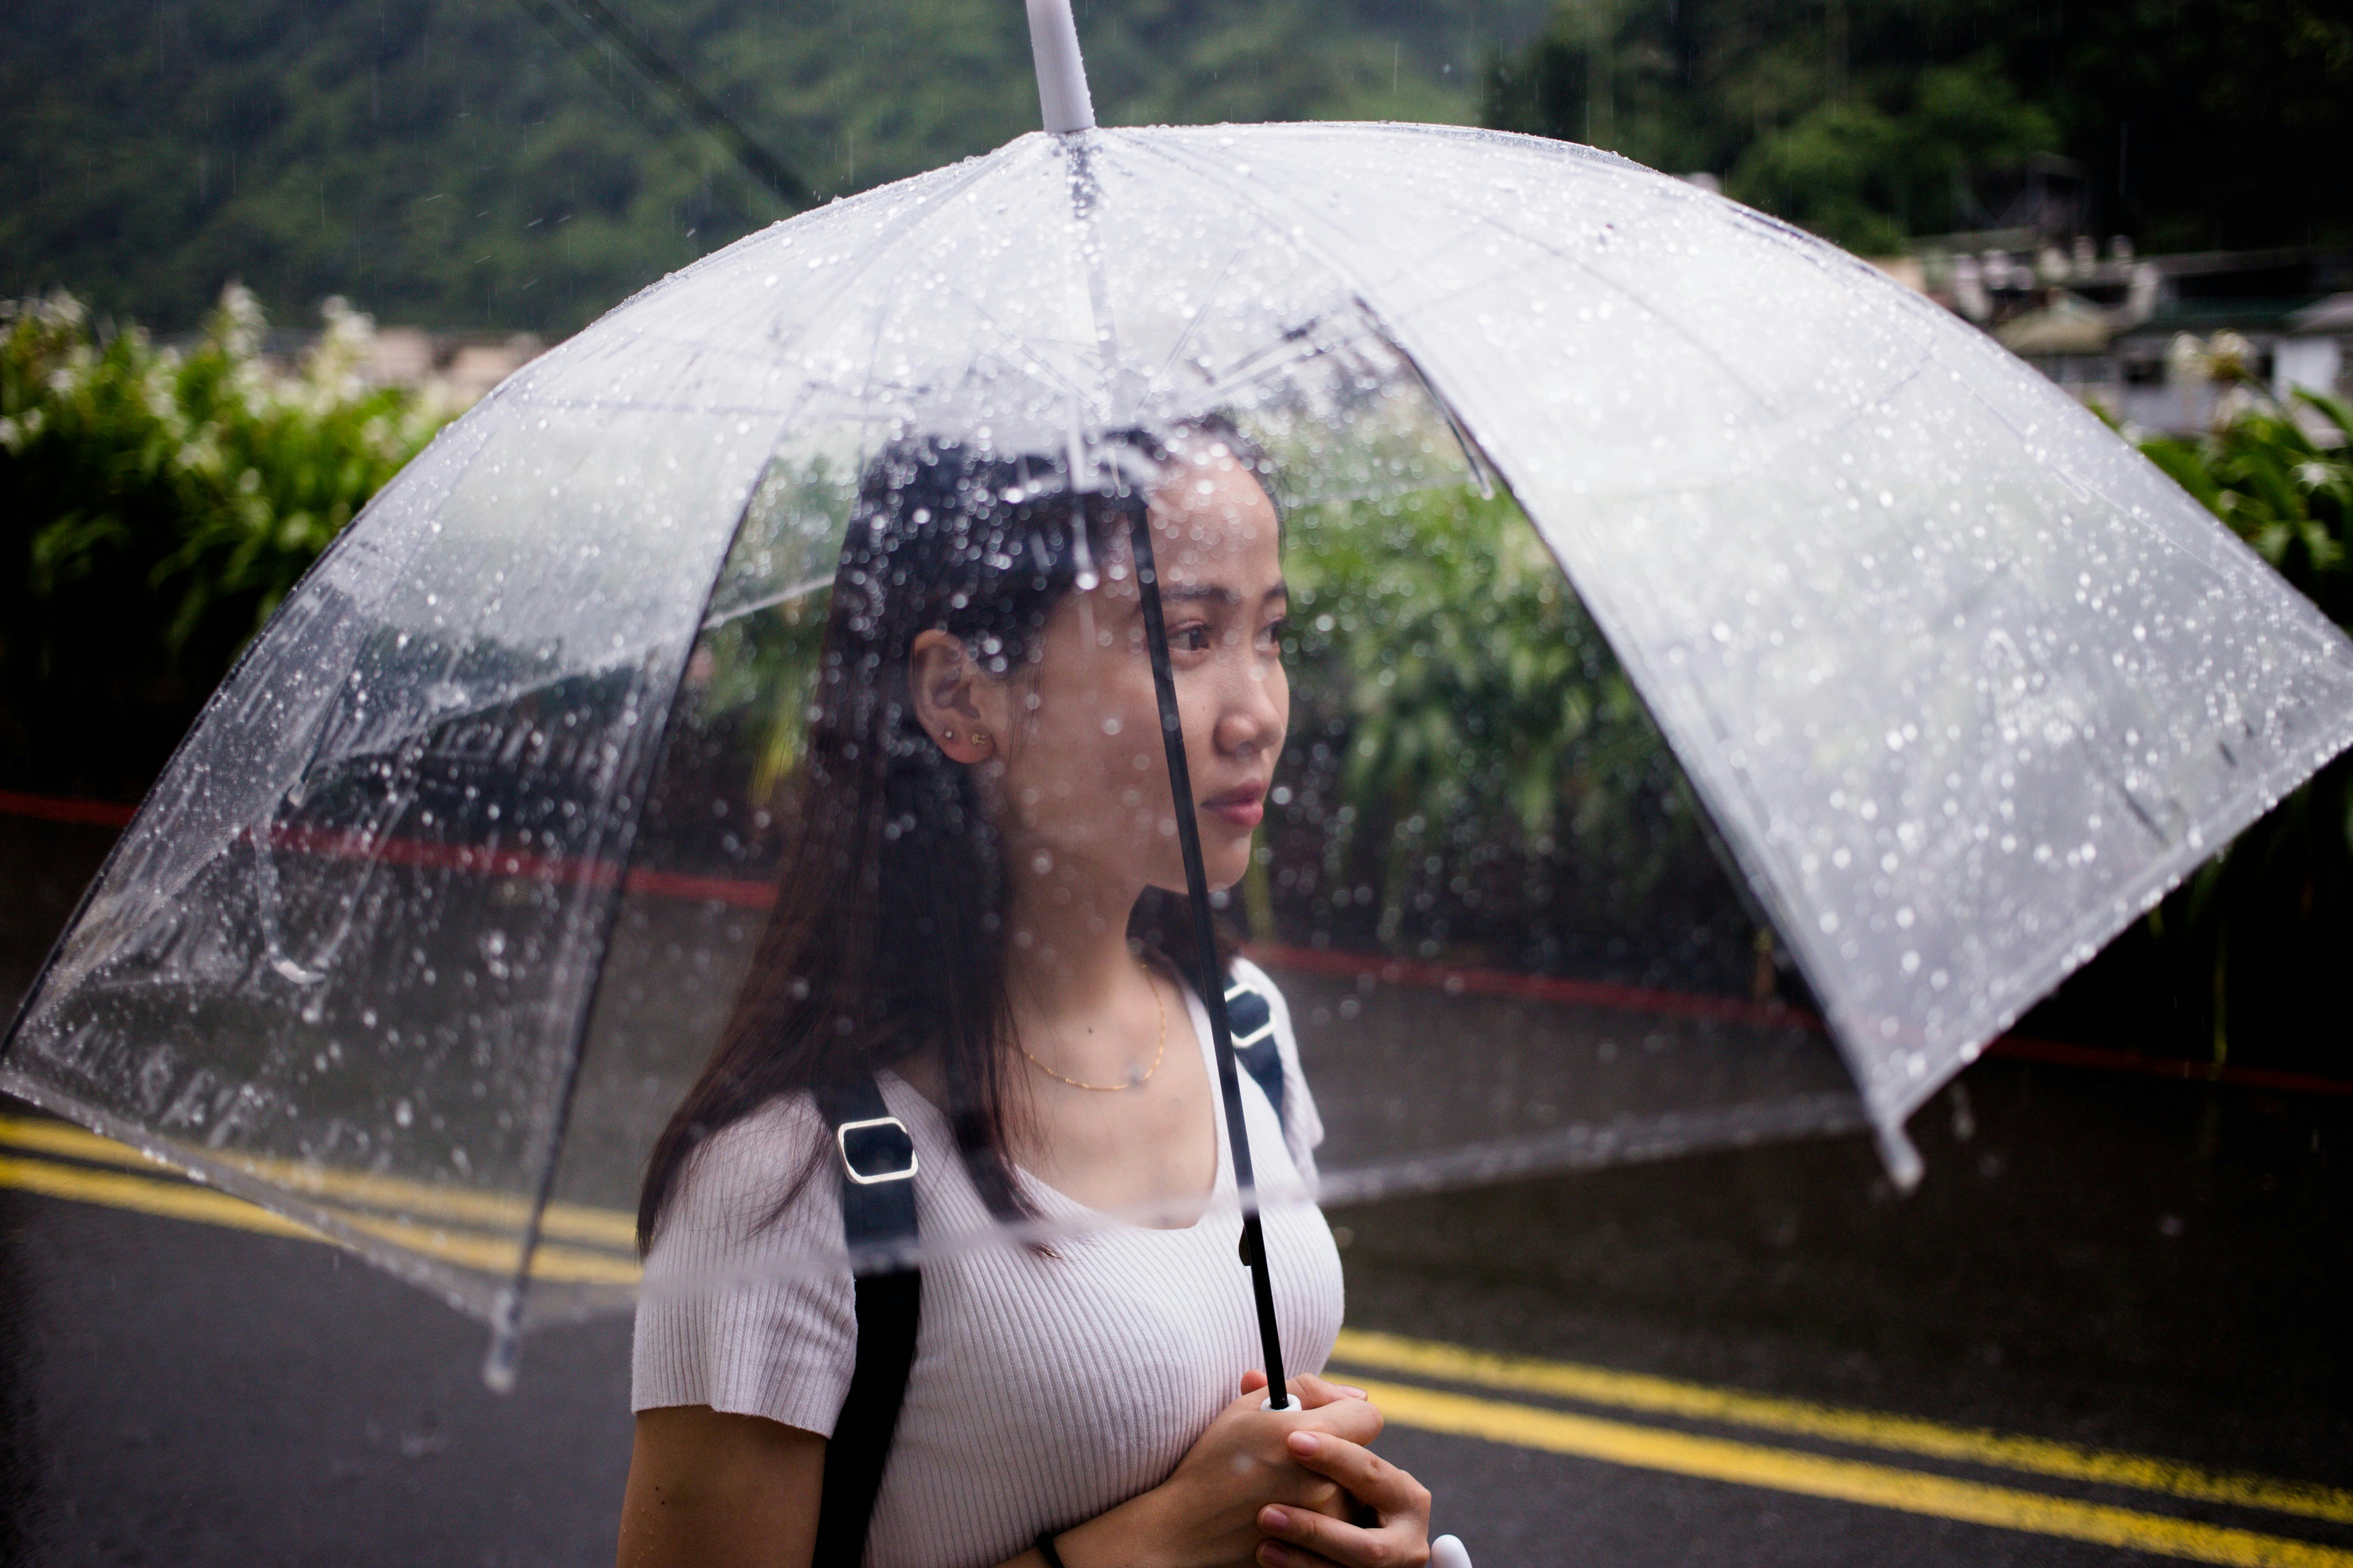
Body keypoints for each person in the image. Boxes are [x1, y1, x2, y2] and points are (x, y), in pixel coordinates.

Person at [616, 424, 1434, 1568]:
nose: (1255, 713)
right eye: (1187, 638)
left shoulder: (1242, 1028)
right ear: (960, 693)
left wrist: (1349, 1530)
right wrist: (1138, 1549)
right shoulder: (783, 1183)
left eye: (1270, 635)